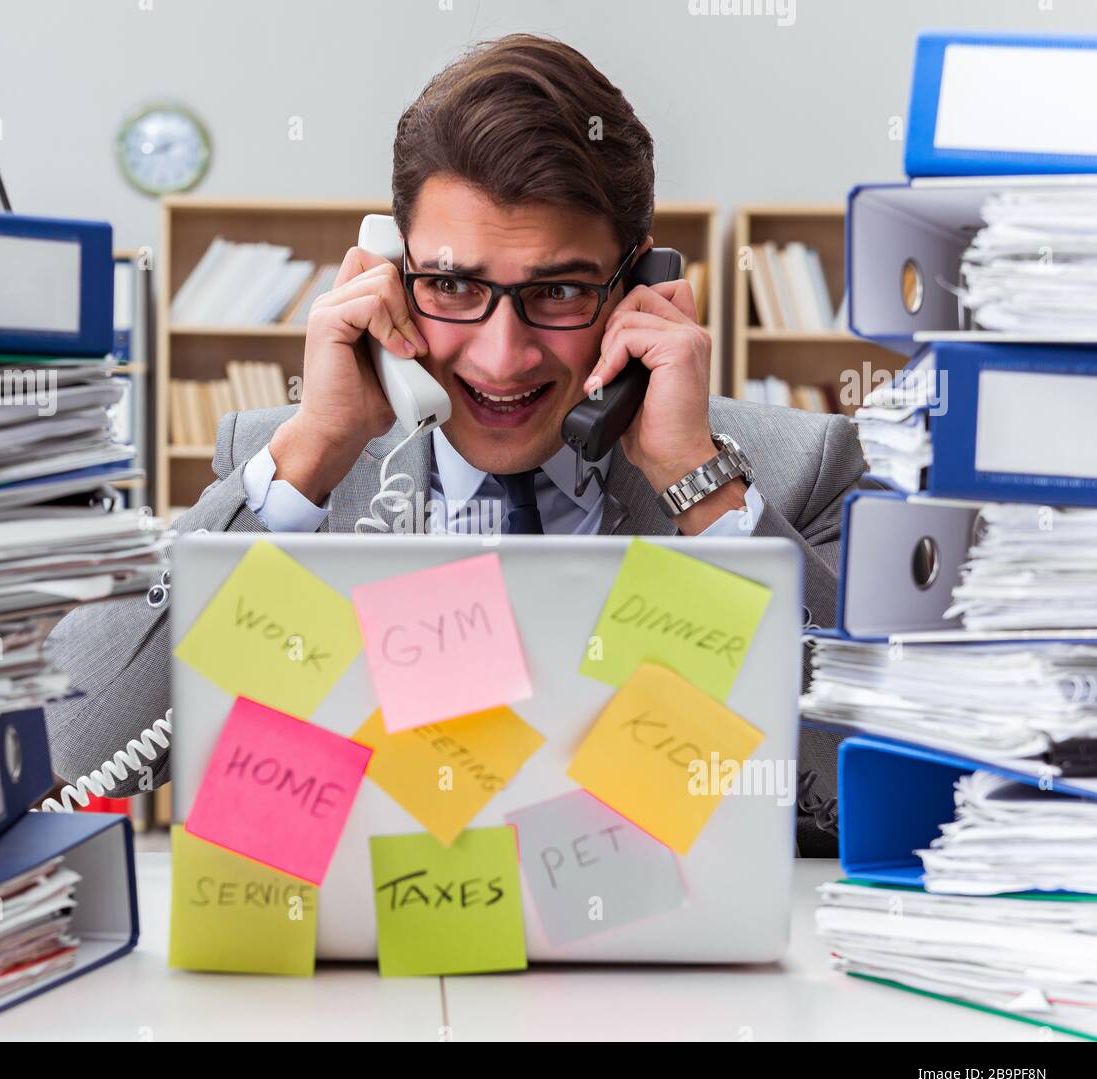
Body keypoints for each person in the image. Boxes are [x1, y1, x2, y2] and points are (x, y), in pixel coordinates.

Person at [46, 33, 866, 854]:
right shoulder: (286, 476)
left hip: (667, 964)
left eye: (559, 290)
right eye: (452, 285)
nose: (500, 356)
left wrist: (701, 489)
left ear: (640, 290)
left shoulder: (789, 474)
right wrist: (311, 458)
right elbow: (76, 751)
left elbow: (883, 798)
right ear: (389, 274)